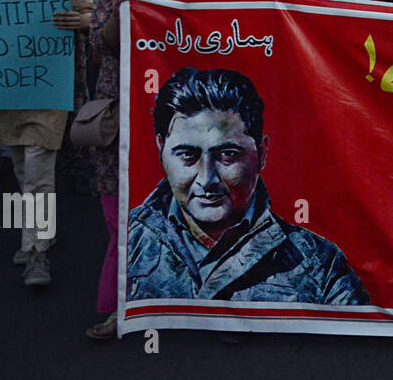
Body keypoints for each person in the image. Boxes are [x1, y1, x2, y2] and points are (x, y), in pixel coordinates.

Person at [127, 67, 369, 304]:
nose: (207, 178)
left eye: (227, 155)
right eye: (188, 156)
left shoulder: (319, 266)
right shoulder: (127, 241)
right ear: (161, 149)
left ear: (262, 152)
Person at [85, 0, 183, 338]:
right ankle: (116, 306)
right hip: (117, 109)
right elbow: (98, 46)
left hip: (166, 114)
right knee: (117, 216)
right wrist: (124, 11)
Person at [0, 0, 93, 288]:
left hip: (47, 77)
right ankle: (41, 231)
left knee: (37, 165)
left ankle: (36, 251)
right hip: (4, 79)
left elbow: (87, 13)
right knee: (19, 161)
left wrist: (75, 21)